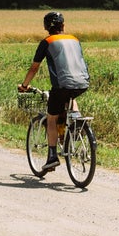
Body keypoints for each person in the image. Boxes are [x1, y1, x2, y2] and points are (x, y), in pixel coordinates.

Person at [18, 11, 90, 171]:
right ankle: (76, 120)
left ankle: (52, 157)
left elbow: (34, 68)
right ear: (63, 25)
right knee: (70, 95)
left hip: (61, 85)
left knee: (51, 118)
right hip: (83, 83)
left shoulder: (47, 41)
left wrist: (24, 85)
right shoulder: (75, 39)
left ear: (46, 27)